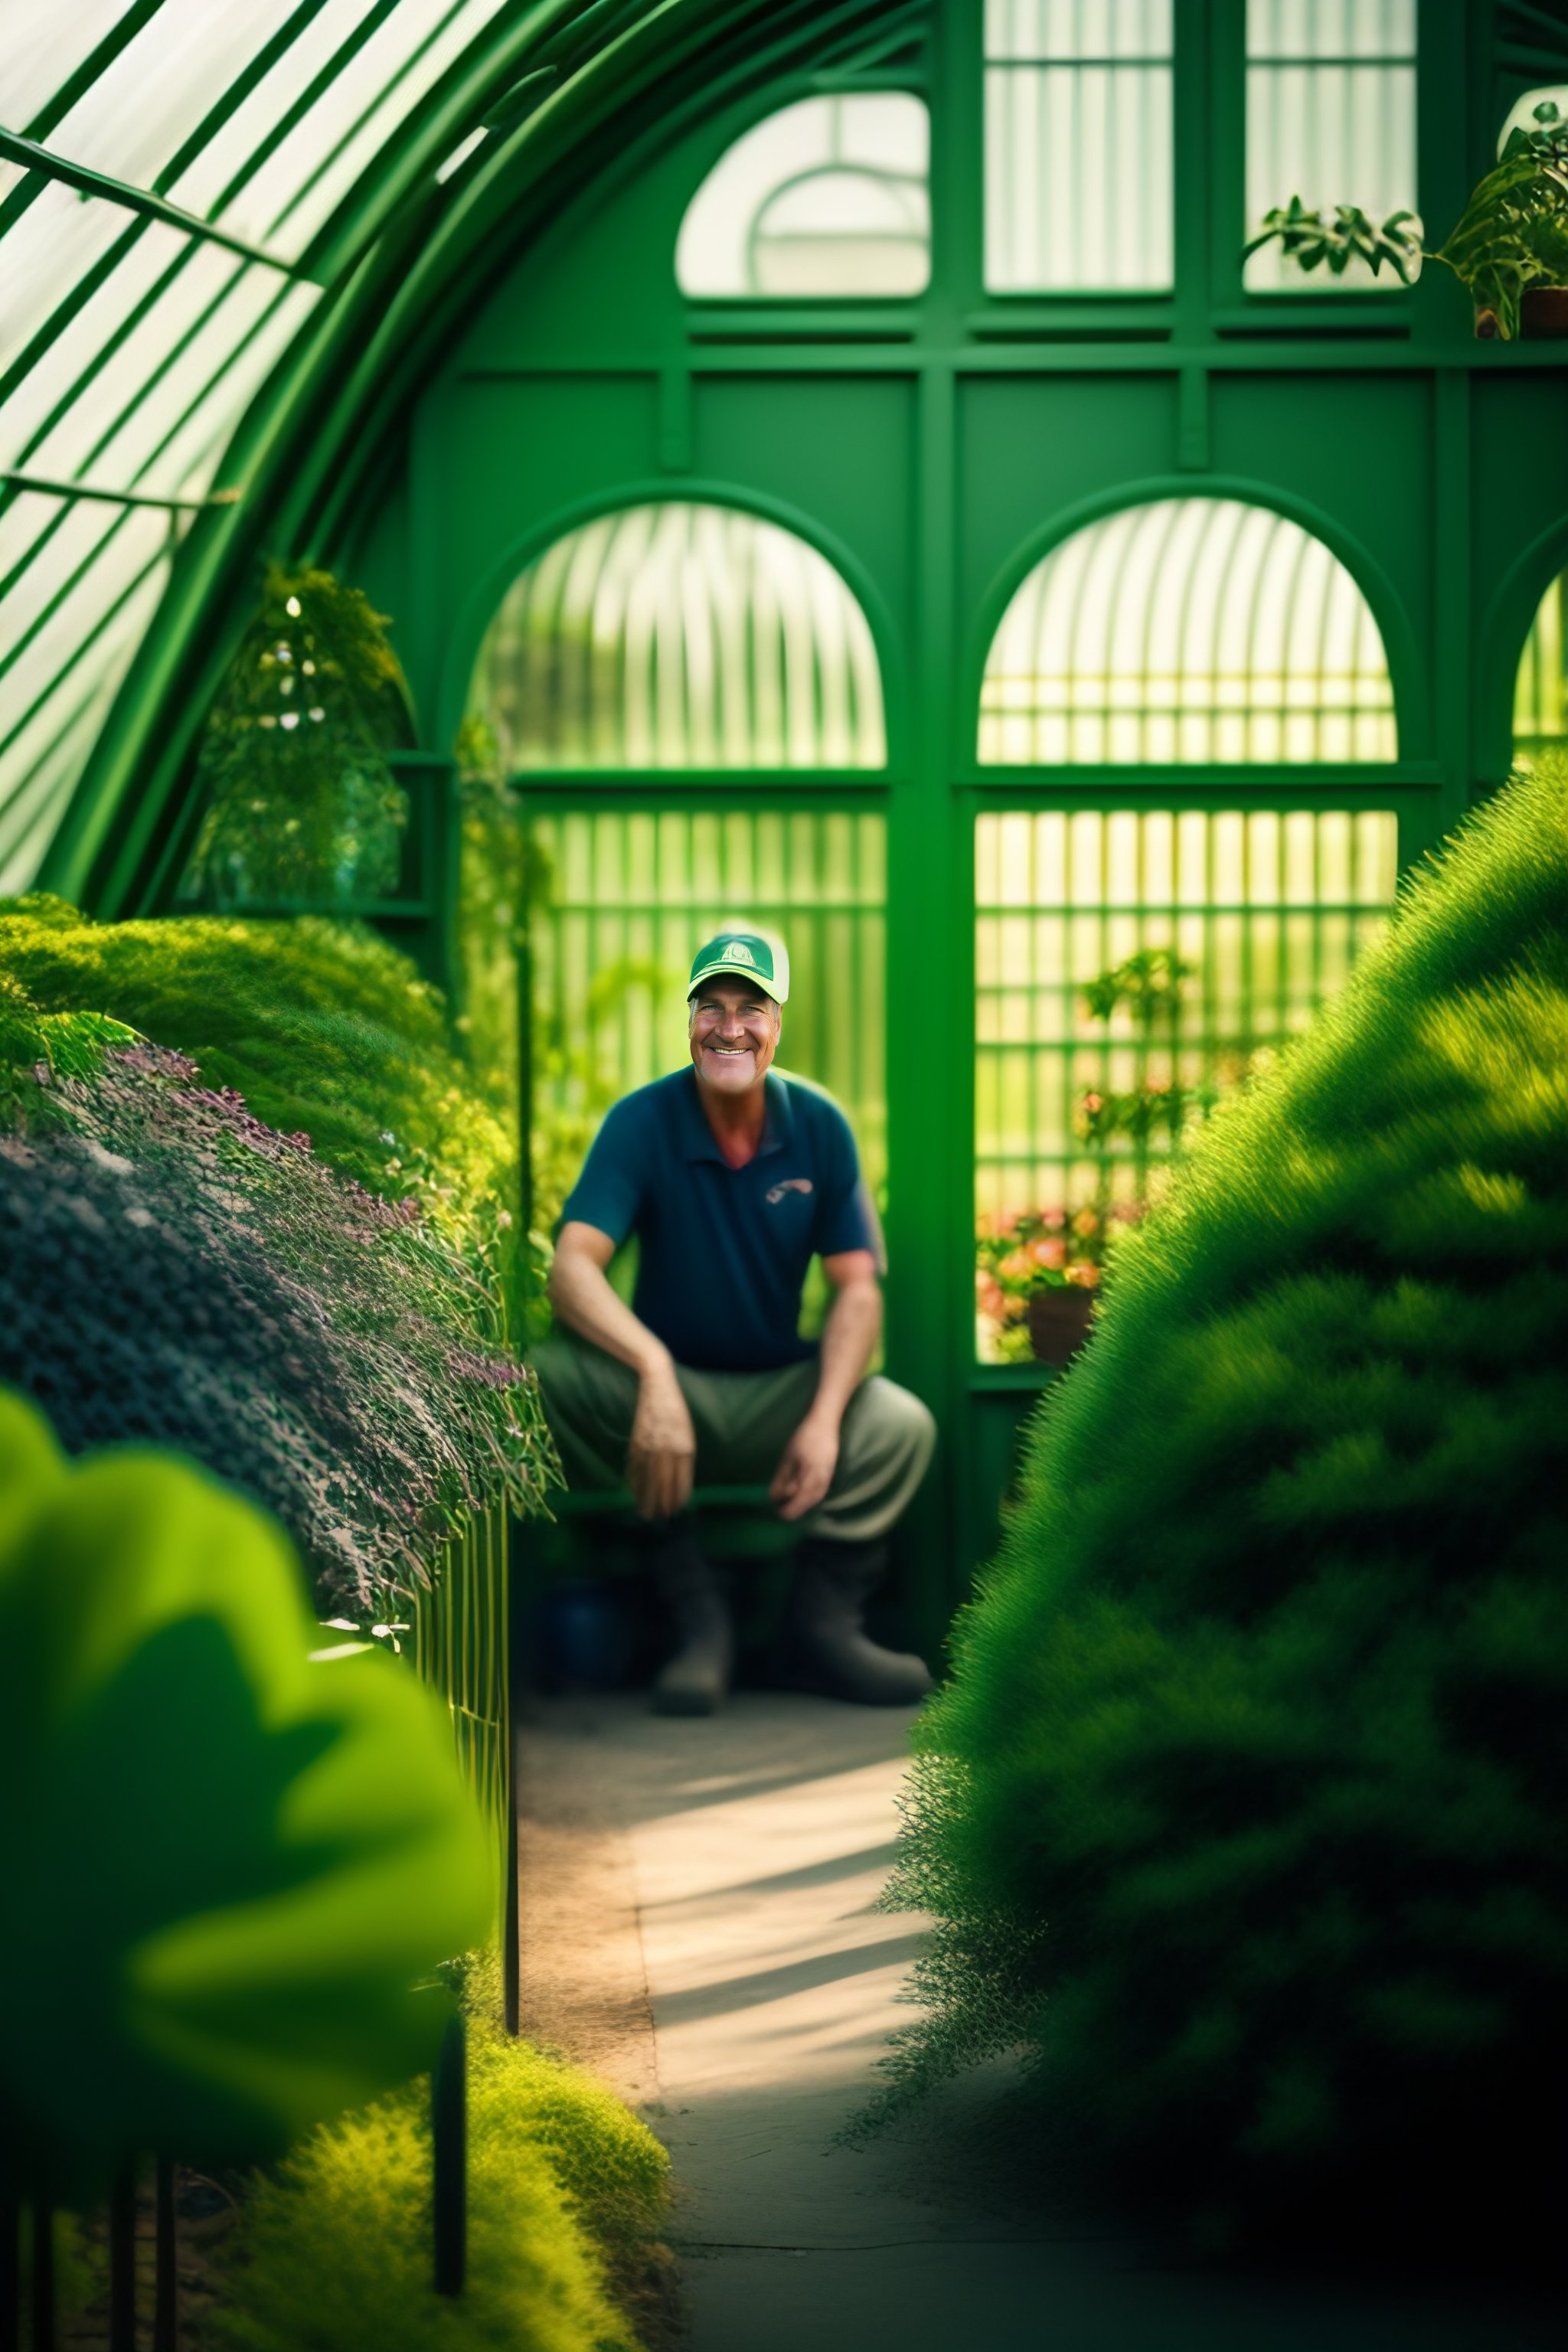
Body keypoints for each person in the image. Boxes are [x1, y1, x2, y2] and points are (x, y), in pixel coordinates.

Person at [534, 929, 936, 1715]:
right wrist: (651, 1374)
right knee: (542, 1379)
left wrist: (822, 1420)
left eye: (750, 1008)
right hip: (665, 1395)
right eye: (709, 1007)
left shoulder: (818, 1123)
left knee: (900, 1424)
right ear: (688, 1021)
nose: (729, 1027)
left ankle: (819, 1632)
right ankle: (696, 1623)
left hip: (774, 1394)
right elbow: (570, 1268)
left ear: (776, 1024)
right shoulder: (640, 1121)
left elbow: (856, 1289)